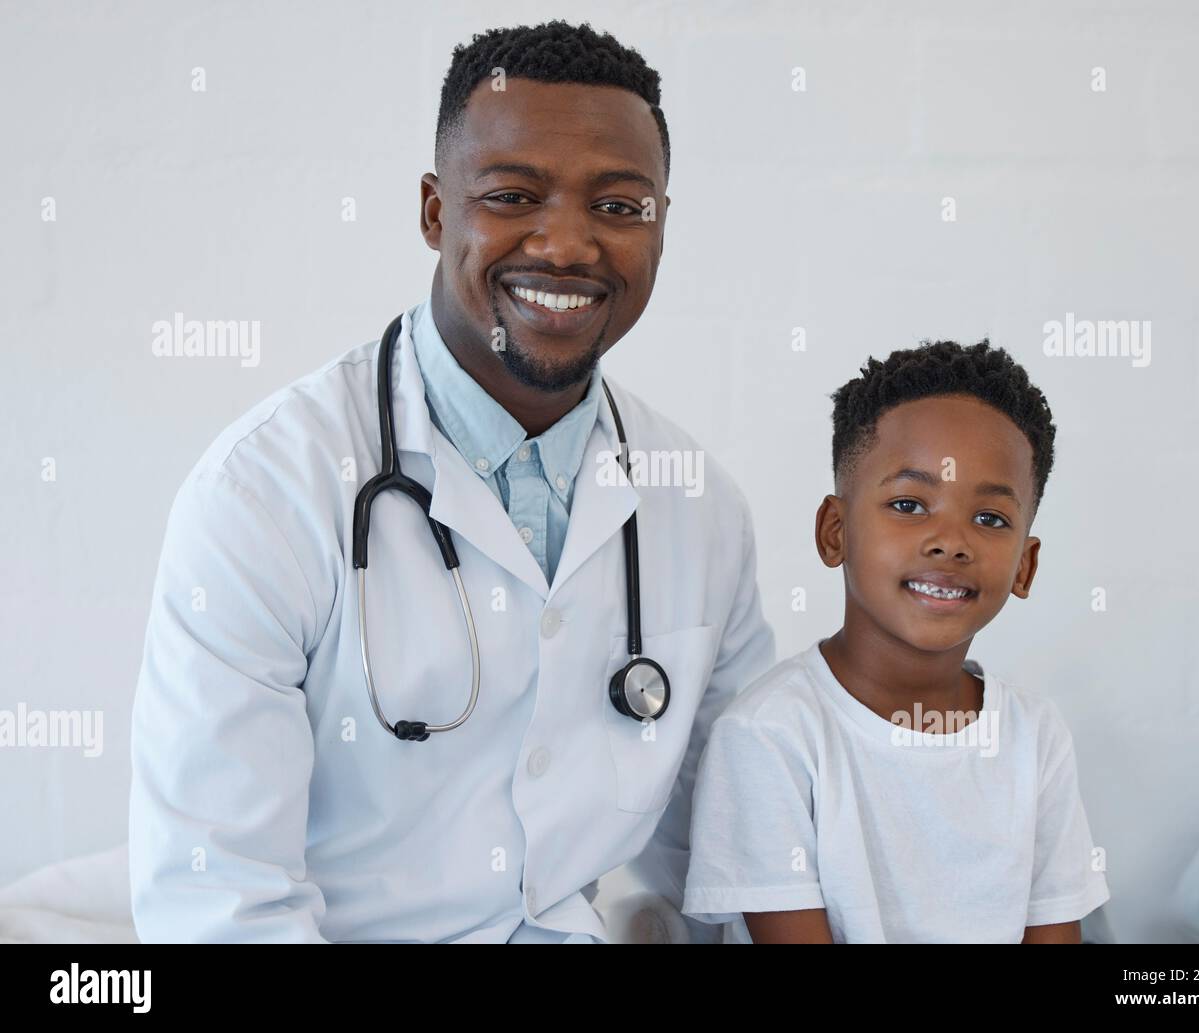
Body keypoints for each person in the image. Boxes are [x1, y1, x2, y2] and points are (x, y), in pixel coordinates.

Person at [129, 20, 775, 943]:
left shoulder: (699, 509)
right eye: (514, 195)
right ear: (436, 212)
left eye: (620, 207)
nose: (568, 246)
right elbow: (221, 901)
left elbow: (731, 863)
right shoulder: (265, 493)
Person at [681, 341, 1110, 943]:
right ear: (836, 532)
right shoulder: (771, 736)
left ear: (1024, 566)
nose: (950, 541)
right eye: (909, 504)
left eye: (989, 519)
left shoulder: (1035, 738)